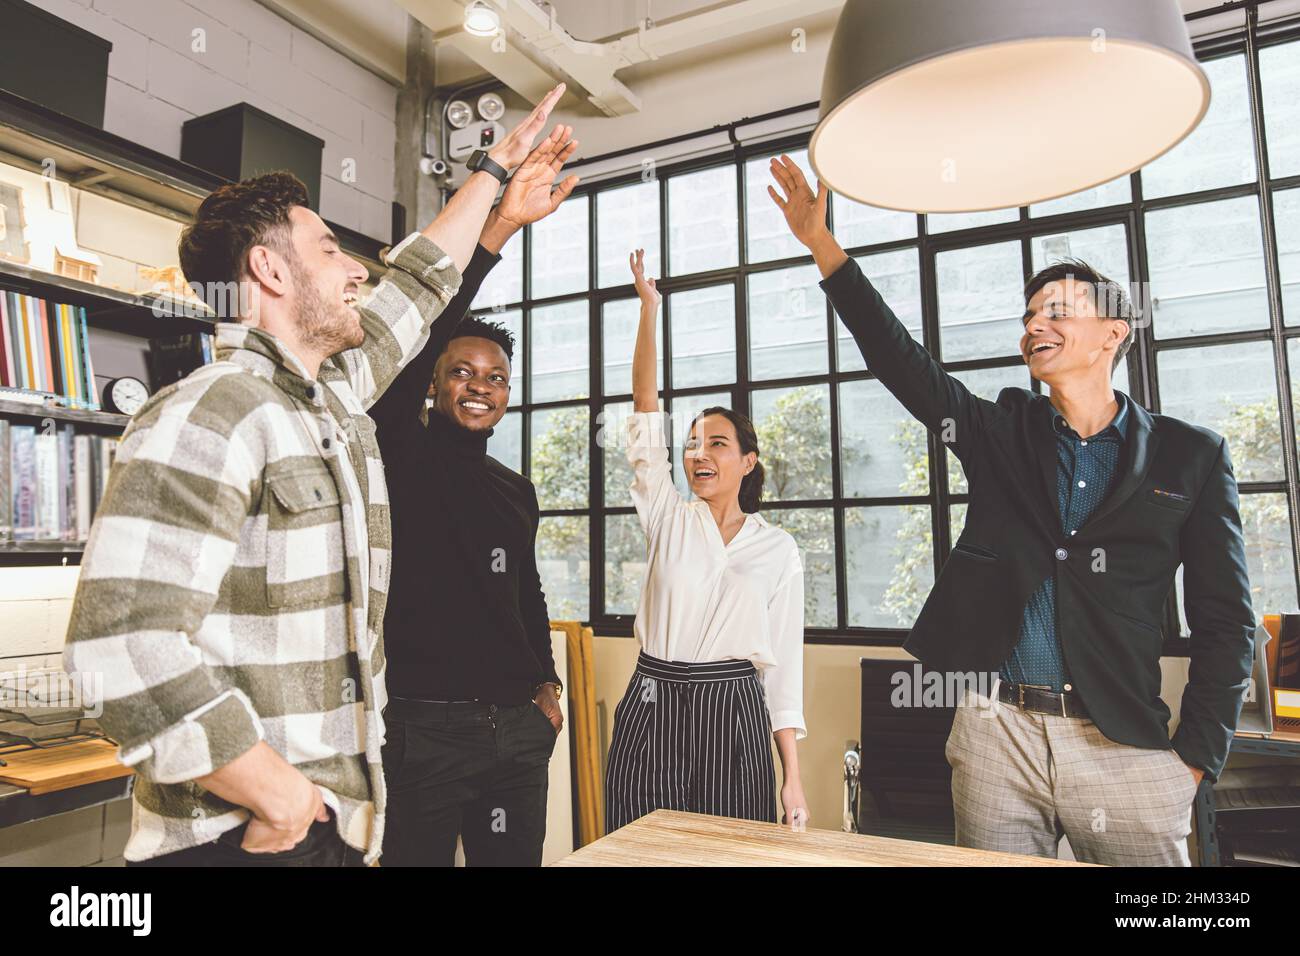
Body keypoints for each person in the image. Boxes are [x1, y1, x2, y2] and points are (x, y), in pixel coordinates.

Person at [62, 85, 569, 867]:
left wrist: (493, 175)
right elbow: (120, 644)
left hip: (326, 828)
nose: (357, 270)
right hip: (243, 836)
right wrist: (275, 792)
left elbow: (422, 285)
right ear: (268, 270)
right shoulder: (211, 410)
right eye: (331, 248)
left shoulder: (330, 404)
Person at [768, 155, 1255, 866]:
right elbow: (903, 364)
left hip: (1125, 746)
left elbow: (1227, 621)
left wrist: (1193, 764)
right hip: (997, 736)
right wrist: (824, 247)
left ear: (1114, 333)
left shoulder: (1192, 457)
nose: (1034, 325)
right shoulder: (1002, 431)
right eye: (1028, 316)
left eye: (1056, 311)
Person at [369, 126, 580, 867]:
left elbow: (527, 591)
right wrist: (497, 231)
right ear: (433, 380)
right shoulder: (400, 447)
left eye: (495, 377)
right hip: (426, 729)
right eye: (462, 372)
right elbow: (417, 339)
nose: (479, 386)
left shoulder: (514, 488)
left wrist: (547, 686)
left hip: (518, 733)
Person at [603, 248, 810, 833]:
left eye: (717, 443)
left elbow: (784, 670)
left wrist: (791, 775)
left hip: (735, 708)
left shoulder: (778, 550)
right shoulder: (667, 515)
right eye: (693, 443)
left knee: (729, 849)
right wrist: (649, 310)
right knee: (638, 845)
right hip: (651, 697)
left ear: (748, 462)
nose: (699, 453)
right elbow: (645, 408)